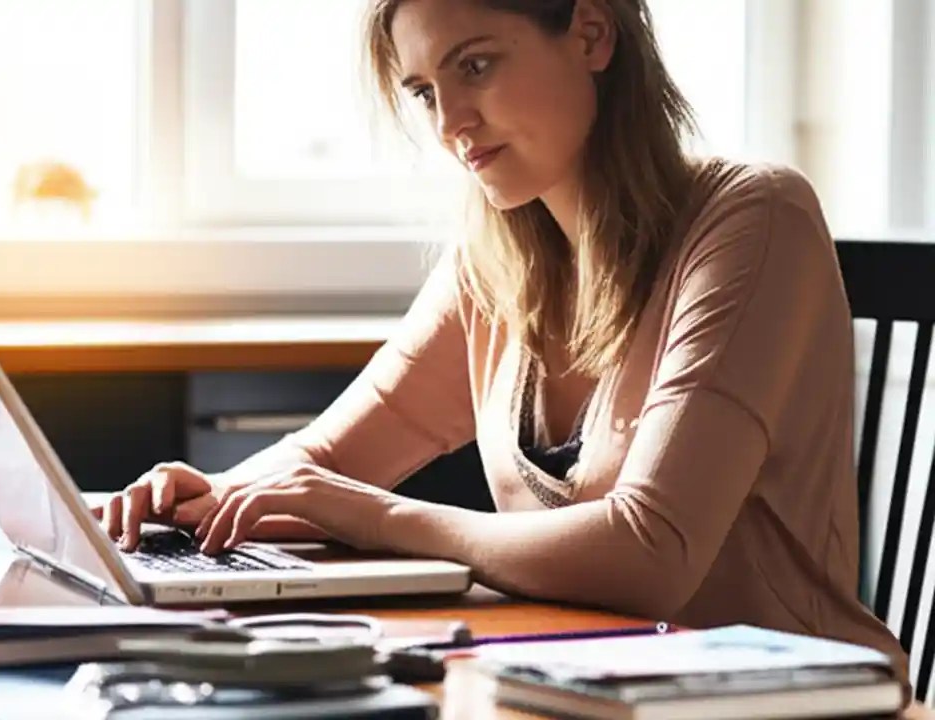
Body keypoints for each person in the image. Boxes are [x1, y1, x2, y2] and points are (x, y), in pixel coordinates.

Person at [99, 0, 910, 692]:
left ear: (592, 34)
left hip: (790, 699)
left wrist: (378, 518)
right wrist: (188, 504)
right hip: (582, 686)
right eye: (423, 91)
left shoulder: (752, 219)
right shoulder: (495, 262)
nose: (449, 123)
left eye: (476, 67)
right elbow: (323, 467)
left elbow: (648, 554)